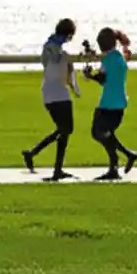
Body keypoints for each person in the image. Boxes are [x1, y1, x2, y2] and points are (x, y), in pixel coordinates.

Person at [22, 19, 80, 181]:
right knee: (65, 130)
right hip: (59, 94)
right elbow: (56, 61)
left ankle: (39, 157)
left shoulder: (51, 48)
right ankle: (55, 168)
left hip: (50, 93)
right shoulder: (54, 49)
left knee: (63, 130)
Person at [83, 27, 137, 181]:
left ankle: (121, 160)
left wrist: (89, 75)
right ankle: (121, 160)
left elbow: (102, 79)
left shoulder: (108, 60)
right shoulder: (119, 58)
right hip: (119, 104)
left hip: (108, 103)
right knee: (107, 134)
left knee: (98, 132)